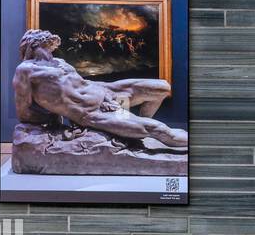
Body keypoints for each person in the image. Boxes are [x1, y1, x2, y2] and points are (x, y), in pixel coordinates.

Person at [14, 29, 186, 148]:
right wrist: (54, 118)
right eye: (47, 43)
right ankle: (140, 128)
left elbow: (81, 84)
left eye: (51, 43)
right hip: (92, 113)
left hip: (108, 92)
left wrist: (108, 99)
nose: (52, 47)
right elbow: (24, 111)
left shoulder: (60, 62)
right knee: (161, 131)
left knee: (162, 88)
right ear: (33, 45)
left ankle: (134, 132)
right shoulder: (26, 70)